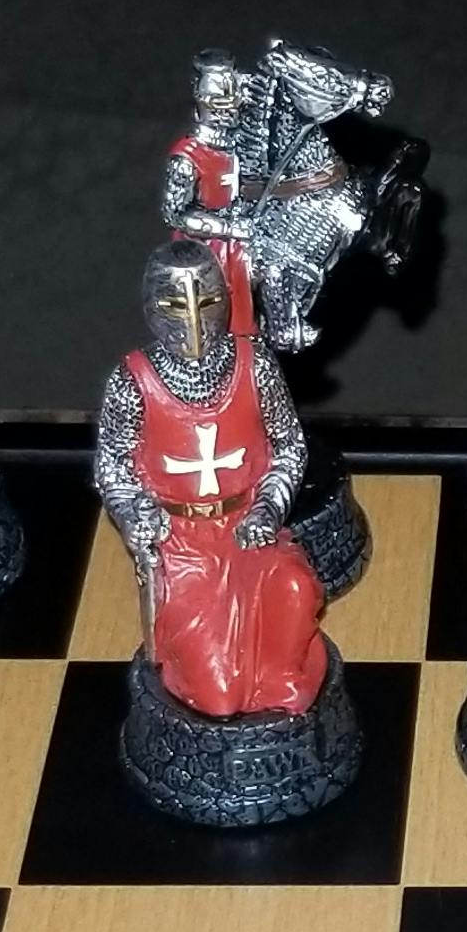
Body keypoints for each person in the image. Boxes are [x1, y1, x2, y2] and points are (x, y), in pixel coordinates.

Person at [91, 245, 324, 719]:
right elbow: (112, 464)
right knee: (218, 696)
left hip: (247, 531)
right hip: (182, 547)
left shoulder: (255, 365)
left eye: (207, 302)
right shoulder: (133, 381)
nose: (194, 321)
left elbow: (289, 447)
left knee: (296, 590)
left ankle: (279, 678)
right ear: (153, 304)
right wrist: (135, 512)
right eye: (176, 304)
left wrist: (267, 509)